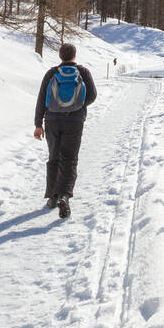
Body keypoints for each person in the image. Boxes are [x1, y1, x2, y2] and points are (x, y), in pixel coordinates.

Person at [33, 43, 97, 218]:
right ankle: (65, 197)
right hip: (74, 121)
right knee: (69, 159)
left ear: (60, 56)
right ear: (74, 56)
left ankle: (53, 197)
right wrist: (78, 106)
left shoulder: (51, 73)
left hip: (52, 120)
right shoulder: (83, 72)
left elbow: (41, 99)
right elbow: (92, 95)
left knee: (54, 157)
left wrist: (38, 124)